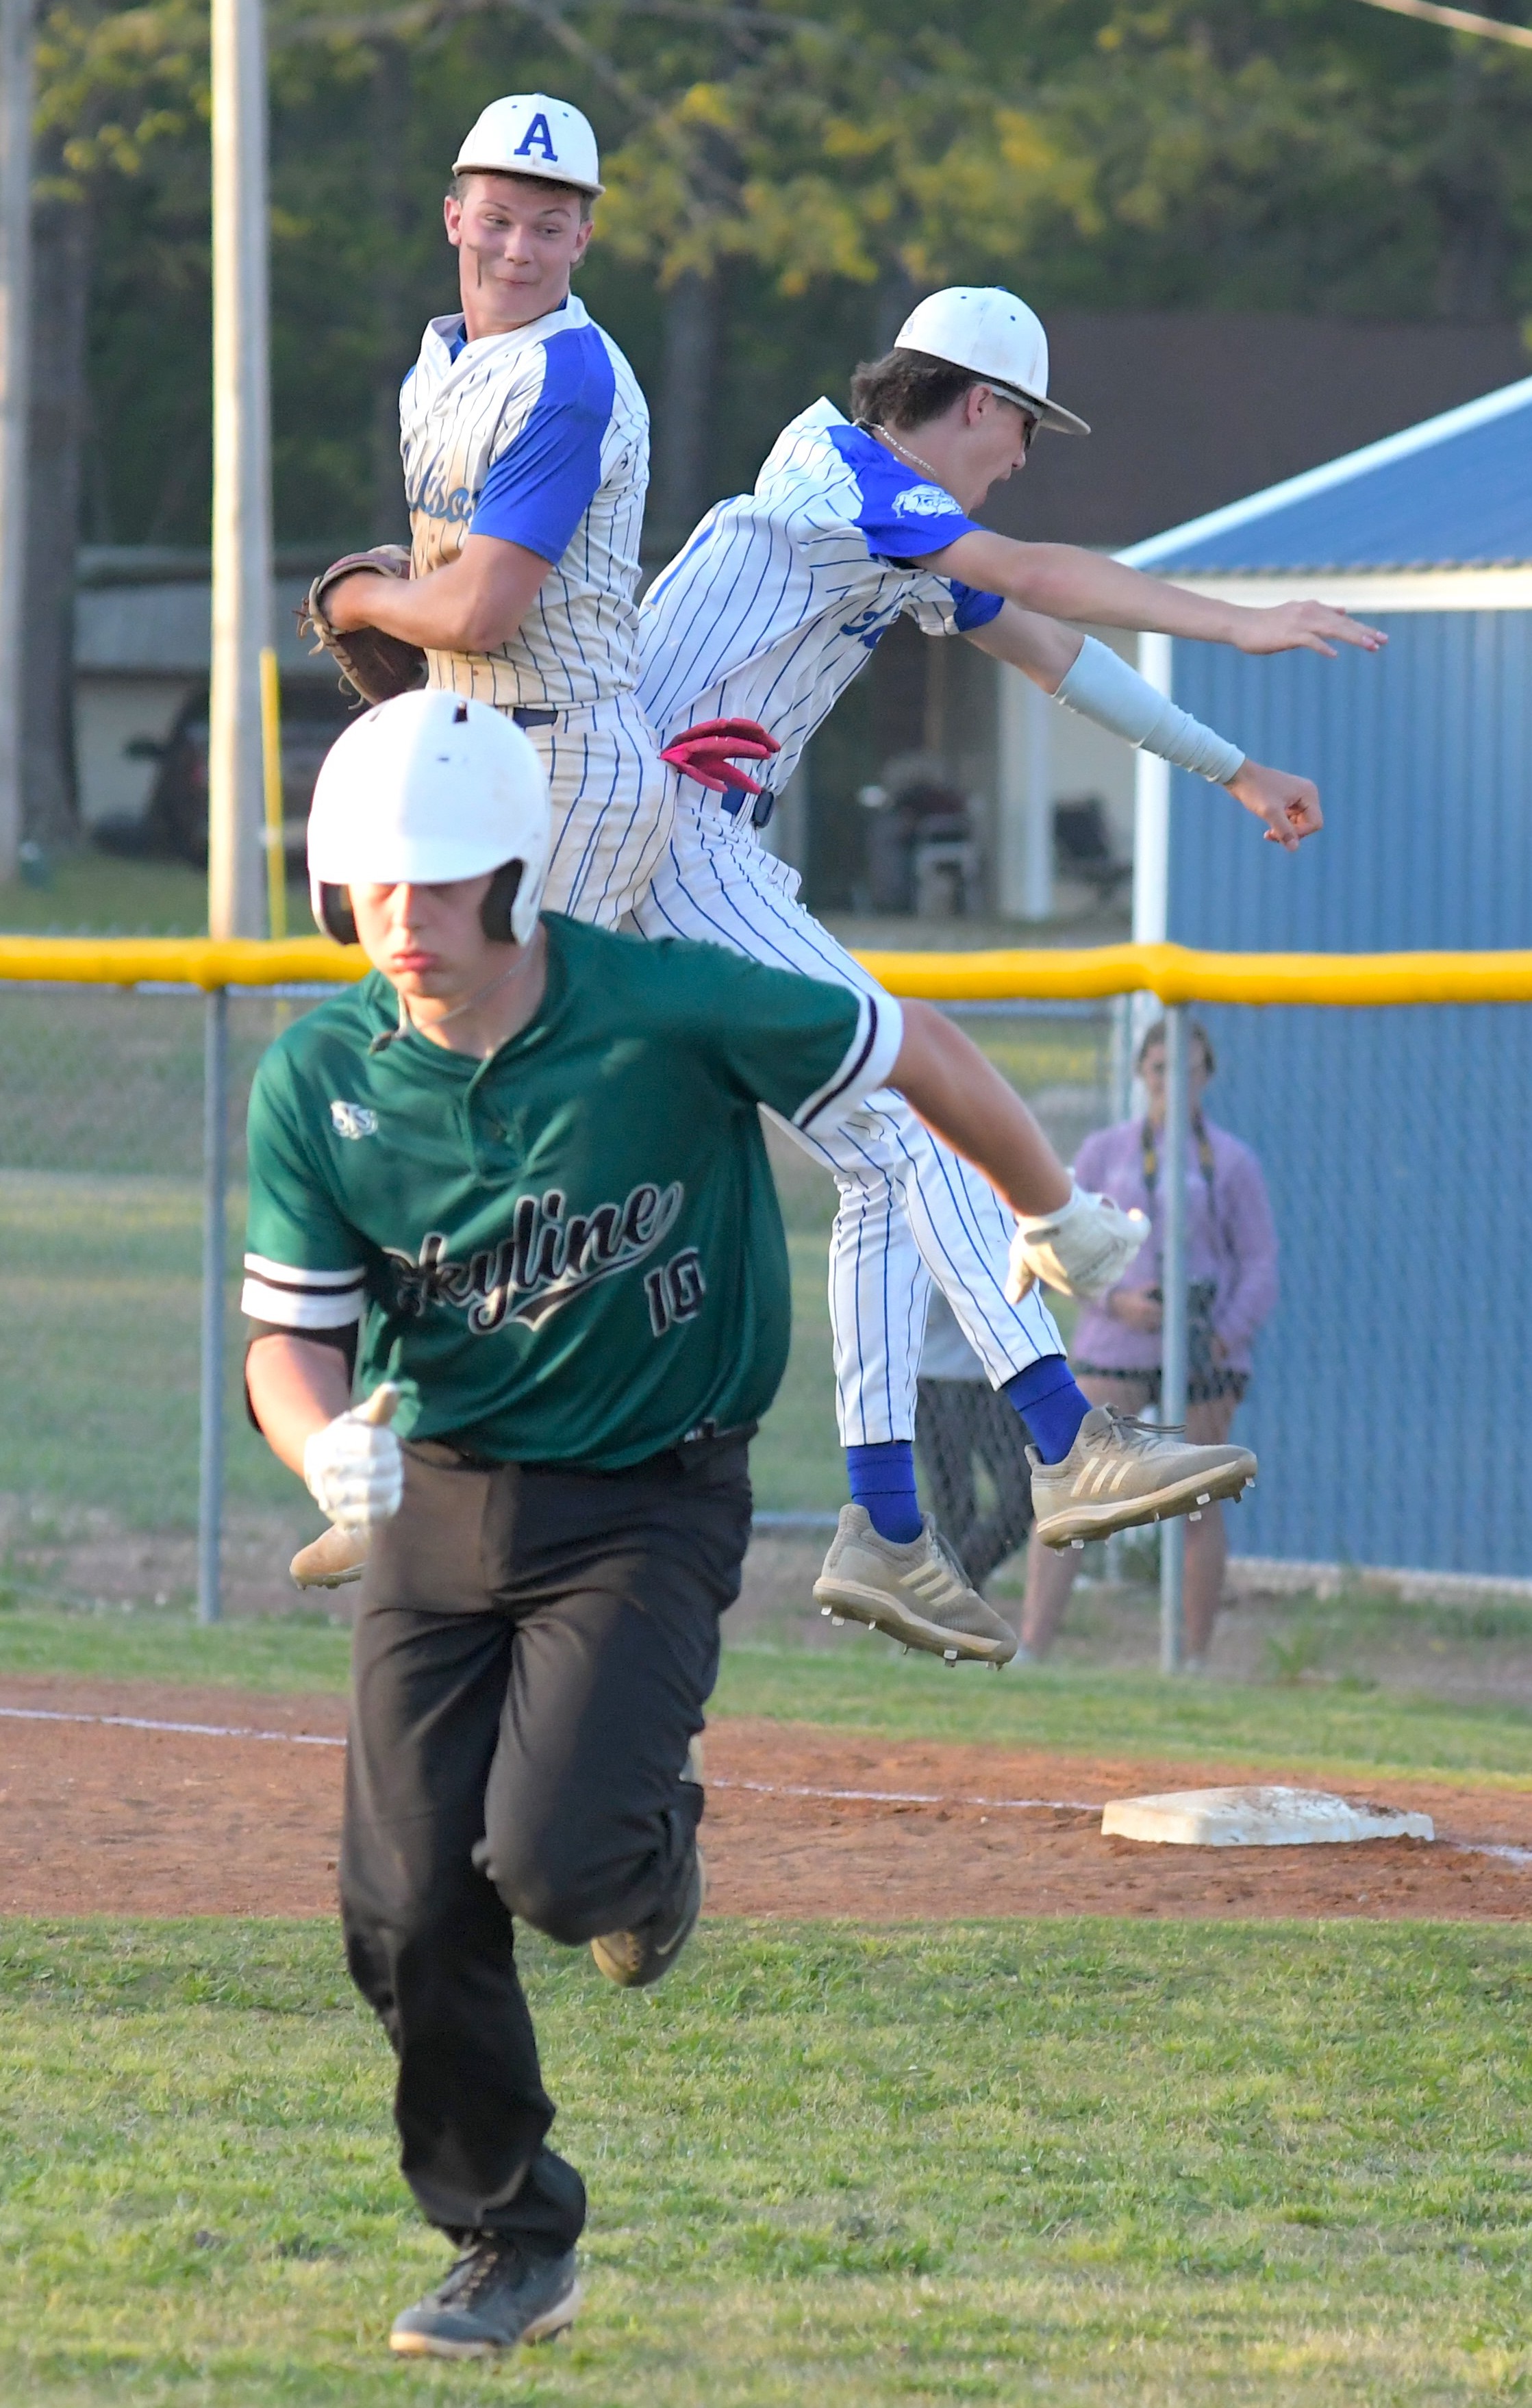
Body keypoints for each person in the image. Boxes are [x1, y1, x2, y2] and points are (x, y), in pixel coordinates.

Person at [240, 688, 1255, 2354]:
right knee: (405, 1902)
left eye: (436, 886)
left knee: (561, 1869)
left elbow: (903, 1042)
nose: (398, 923)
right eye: (365, 888)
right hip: (433, 1498)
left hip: (642, 1492)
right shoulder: (323, 1073)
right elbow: (293, 1337)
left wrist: (1050, 1203)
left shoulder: (661, 1009)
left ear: (515, 876)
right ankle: (509, 2240)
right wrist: (310, 1444)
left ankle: (647, 1855)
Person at [323, 172, 1297, 1649]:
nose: (1021, 461)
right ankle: (1061, 1437)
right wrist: (1241, 618)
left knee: (867, 1156)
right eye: (1022, 428)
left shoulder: (877, 518)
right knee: (888, 1120)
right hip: (660, 835)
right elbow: (1033, 573)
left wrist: (1228, 769)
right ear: (969, 404)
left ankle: (882, 1522)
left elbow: (1048, 651)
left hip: (661, 842)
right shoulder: (853, 480)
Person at [1018, 1020, 1279, 1670]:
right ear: (1142, 1074)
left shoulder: (1230, 1161)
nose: (1174, 1083)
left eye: (1188, 1070)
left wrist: (1221, 1337)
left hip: (1200, 1355)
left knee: (1197, 1501)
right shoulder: (1107, 1150)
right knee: (1073, 1491)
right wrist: (1118, 1301)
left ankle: (1189, 1660)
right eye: (1161, 1069)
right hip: (1118, 1344)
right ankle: (1032, 1648)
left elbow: (1259, 1264)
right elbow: (1069, 1245)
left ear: (1207, 1076)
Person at [913, 1291, 1034, 1590]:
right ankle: (957, 1613)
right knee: (954, 1509)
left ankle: (951, 1584)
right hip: (933, 1373)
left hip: (1002, 1372)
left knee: (1026, 1492)